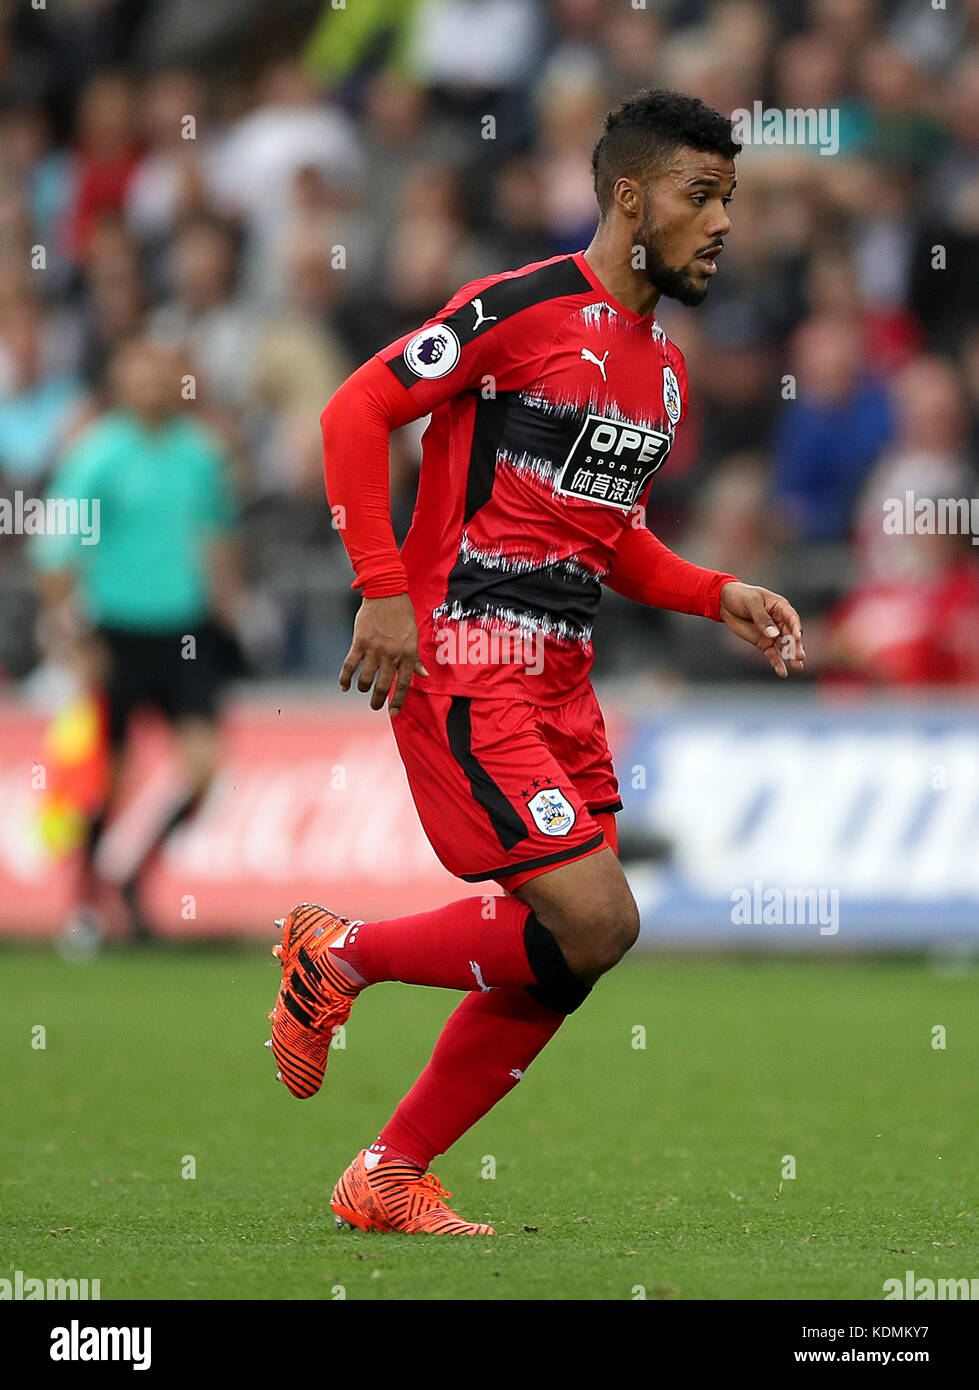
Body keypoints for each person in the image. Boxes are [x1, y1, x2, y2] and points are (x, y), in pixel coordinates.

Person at [267, 90, 805, 1235]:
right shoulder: (520, 309)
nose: (721, 222)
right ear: (628, 197)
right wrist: (380, 588)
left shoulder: (660, 369)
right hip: (466, 657)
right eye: (699, 195)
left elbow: (610, 539)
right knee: (598, 918)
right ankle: (339, 955)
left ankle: (389, 1172)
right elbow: (357, 411)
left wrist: (719, 593)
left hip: (562, 679)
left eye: (731, 199)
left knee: (569, 956)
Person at [32, 338, 242, 947]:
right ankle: (86, 901)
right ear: (121, 382)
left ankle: (133, 875)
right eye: (141, 371)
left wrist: (231, 613)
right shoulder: (98, 454)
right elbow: (54, 553)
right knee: (108, 777)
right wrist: (70, 637)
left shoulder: (200, 454)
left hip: (186, 632)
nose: (154, 382)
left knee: (204, 769)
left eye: (162, 371)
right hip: (117, 633)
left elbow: (219, 539)